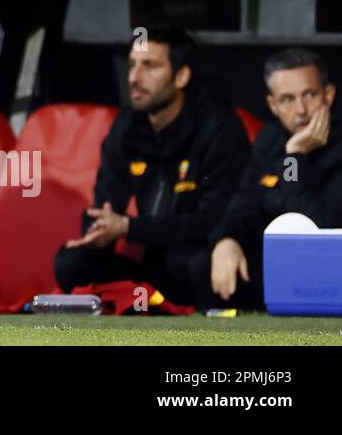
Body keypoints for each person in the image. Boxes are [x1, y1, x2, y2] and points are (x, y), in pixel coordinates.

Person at [54, 28, 249, 306]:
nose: (134, 77)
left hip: (198, 257)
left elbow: (214, 220)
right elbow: (106, 203)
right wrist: (97, 232)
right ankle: (139, 304)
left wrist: (130, 228)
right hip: (152, 266)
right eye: (132, 65)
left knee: (192, 260)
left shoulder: (218, 127)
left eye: (150, 66)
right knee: (70, 263)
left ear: (181, 76)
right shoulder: (126, 127)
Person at [201, 48, 342, 310]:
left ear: (329, 96)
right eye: (287, 99)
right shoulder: (271, 139)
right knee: (201, 261)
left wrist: (295, 156)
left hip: (328, 273)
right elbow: (244, 203)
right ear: (273, 106)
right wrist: (227, 239)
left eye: (309, 95)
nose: (301, 110)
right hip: (276, 264)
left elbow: (318, 230)